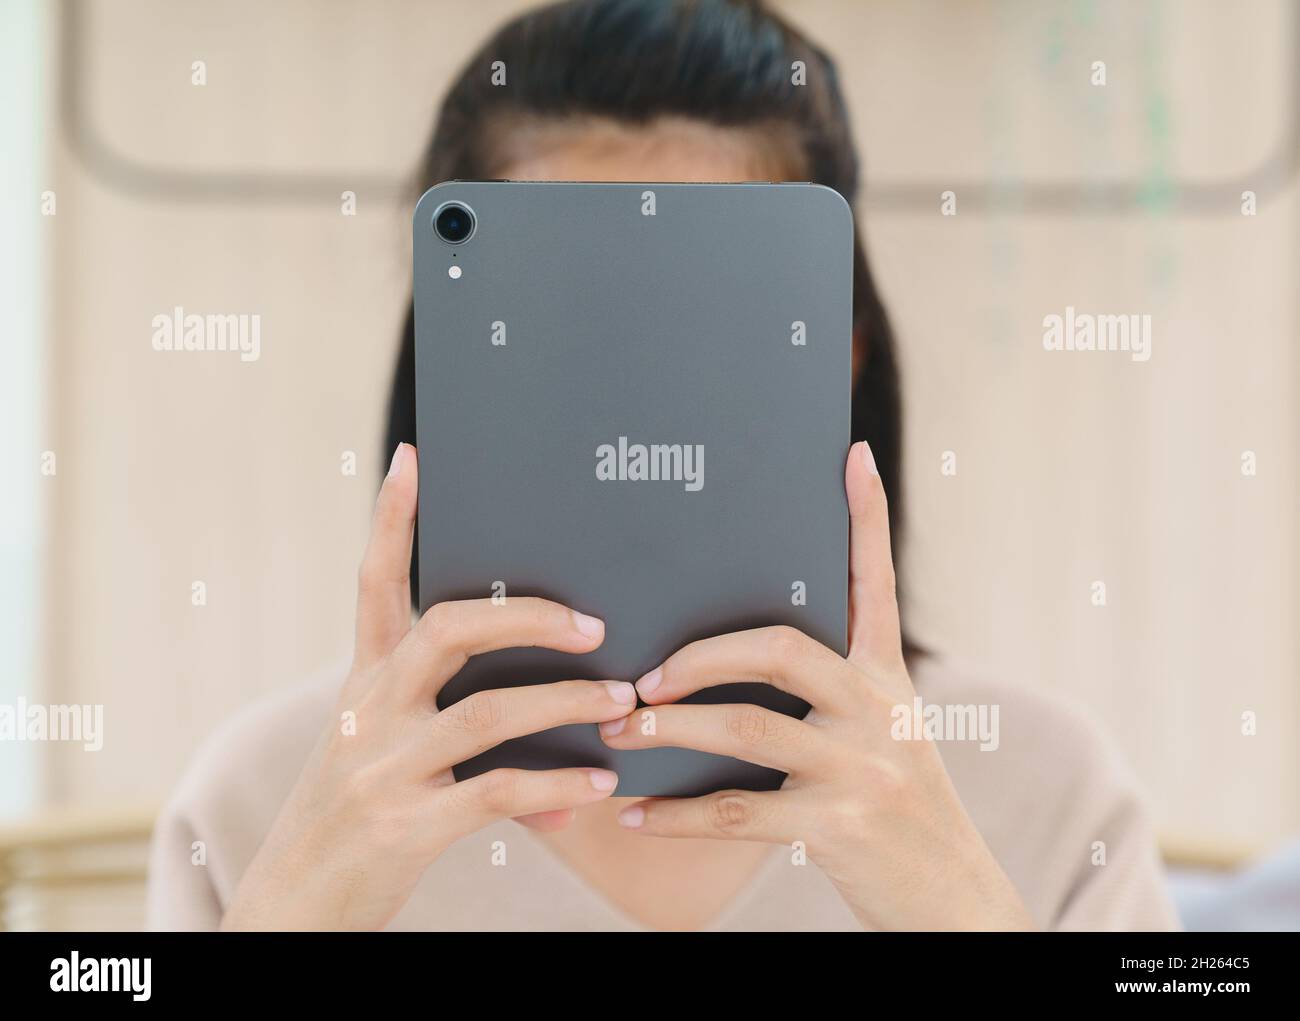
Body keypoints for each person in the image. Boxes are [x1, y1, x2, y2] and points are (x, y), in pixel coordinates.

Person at [147, 0, 1177, 931]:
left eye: (701, 315)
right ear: (450, 347)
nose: (632, 392)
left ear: (841, 341)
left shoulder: (1044, 798)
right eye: (566, 314)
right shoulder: (261, 807)